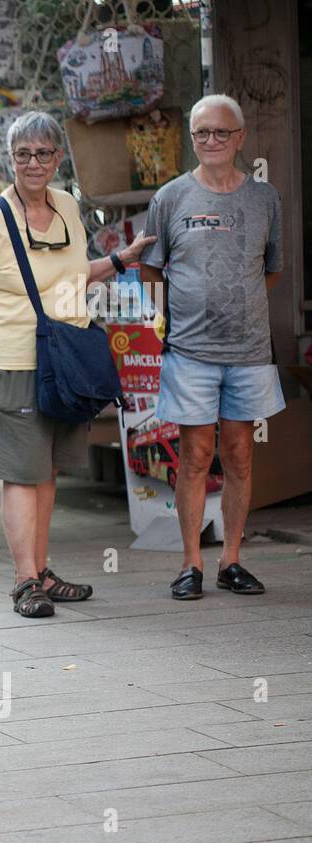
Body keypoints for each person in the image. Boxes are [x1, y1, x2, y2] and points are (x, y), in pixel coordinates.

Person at [0, 111, 155, 618]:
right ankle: (24, 581)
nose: (33, 163)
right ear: (10, 160)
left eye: (44, 153)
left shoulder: (68, 206)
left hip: (66, 357)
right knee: (21, 472)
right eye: (23, 154)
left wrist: (122, 260)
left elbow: (72, 276)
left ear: (59, 158)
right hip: (13, 360)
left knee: (49, 470)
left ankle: (42, 570)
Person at [138, 95, 284, 600]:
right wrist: (171, 313)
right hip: (190, 351)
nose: (212, 142)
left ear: (240, 138)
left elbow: (272, 267)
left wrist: (239, 306)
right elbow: (150, 266)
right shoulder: (171, 197)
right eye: (202, 134)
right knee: (196, 455)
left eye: (222, 133)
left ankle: (232, 560)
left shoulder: (265, 199)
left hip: (248, 352)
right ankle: (190, 564)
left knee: (240, 454)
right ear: (192, 140)